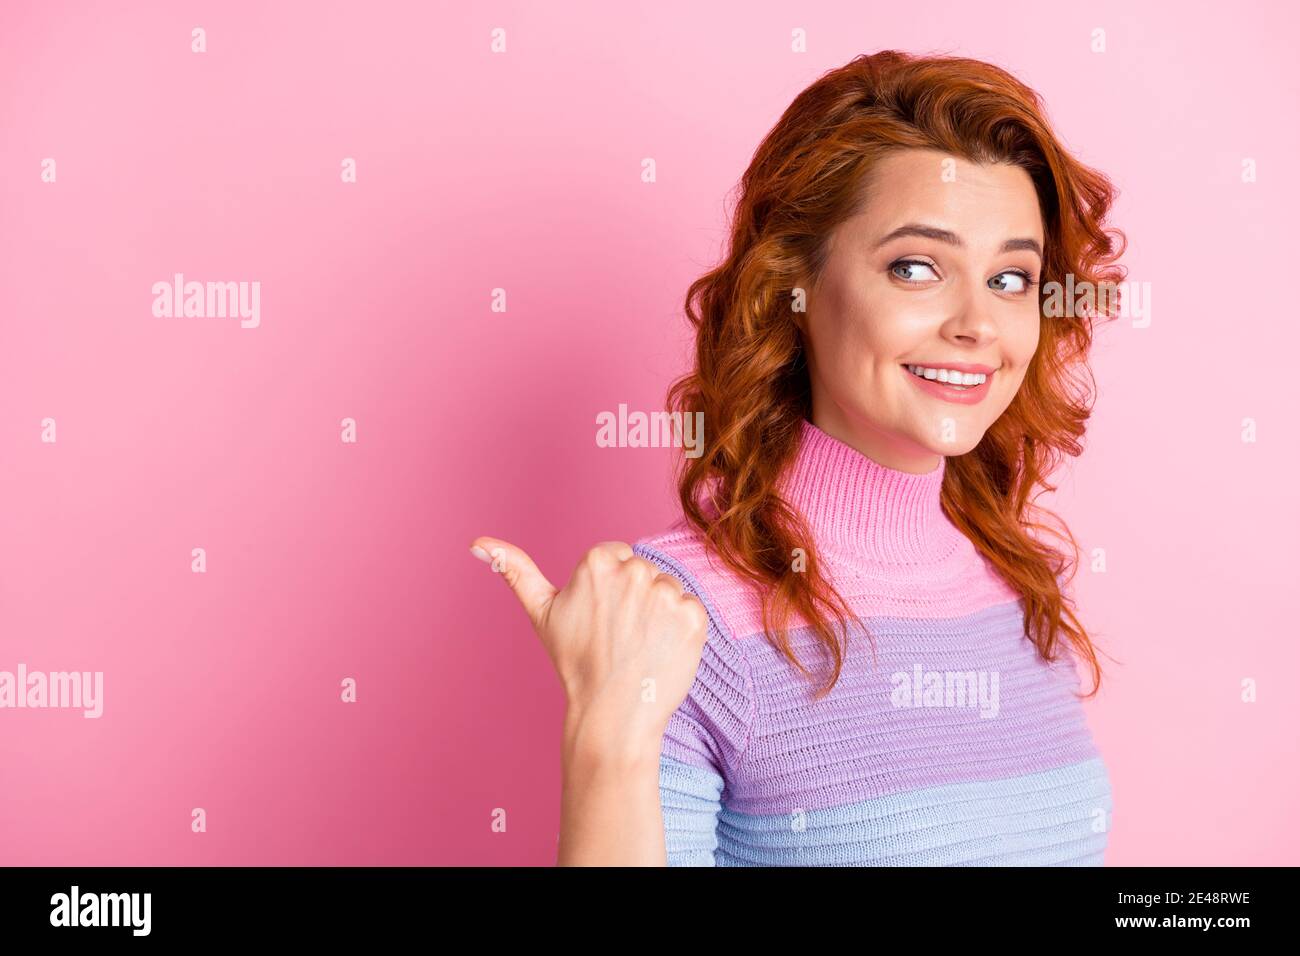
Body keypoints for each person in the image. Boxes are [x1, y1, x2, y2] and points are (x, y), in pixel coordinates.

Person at [473, 49, 1125, 866]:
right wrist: (608, 740)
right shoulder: (681, 620)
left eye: (1011, 278)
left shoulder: (1020, 583)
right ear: (793, 287)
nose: (978, 325)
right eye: (916, 267)